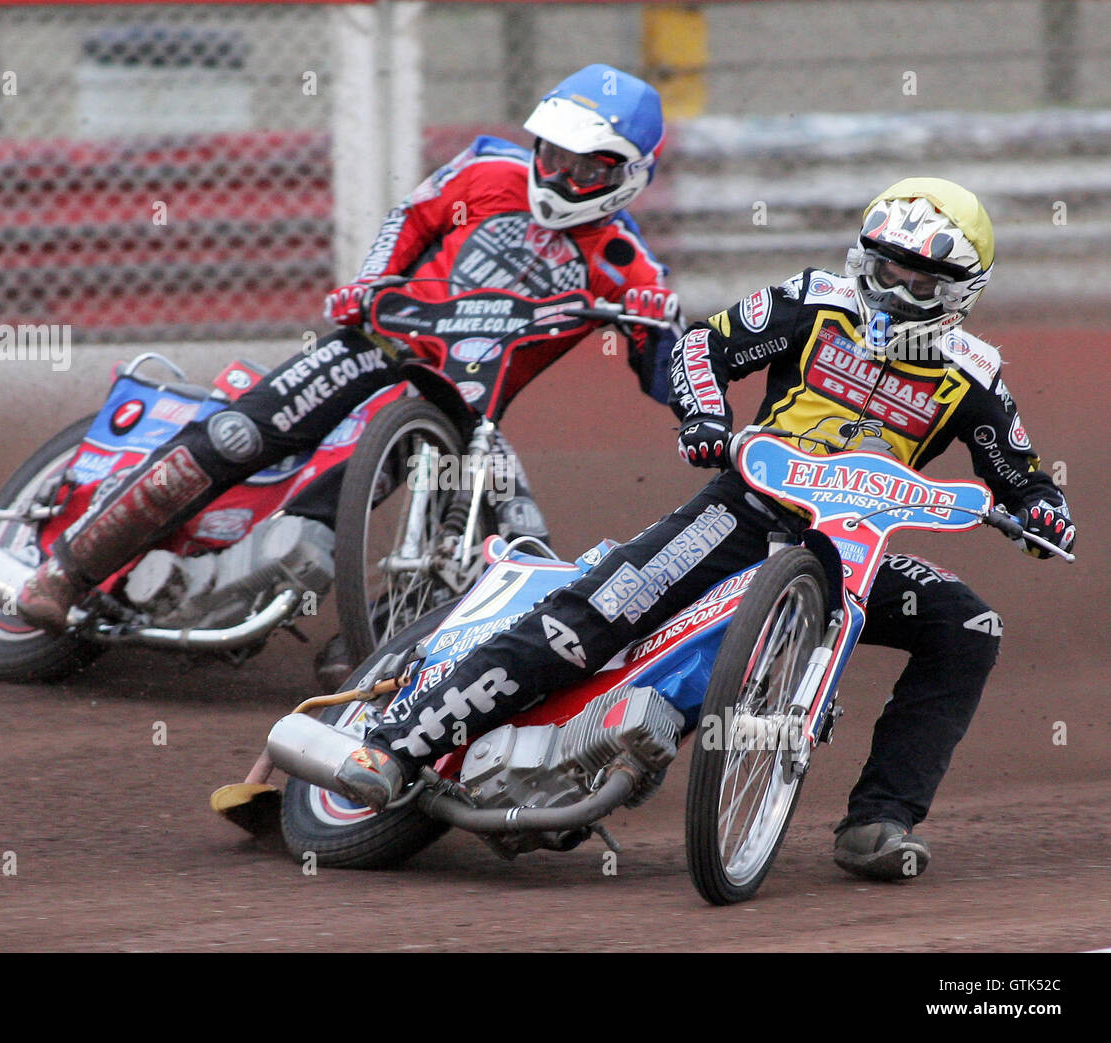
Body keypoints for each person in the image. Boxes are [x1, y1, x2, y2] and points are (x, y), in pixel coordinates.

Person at [322, 177, 1077, 882]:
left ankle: (878, 821)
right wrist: (705, 416)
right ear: (862, 258)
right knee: (589, 617)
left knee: (968, 624)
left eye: (920, 281)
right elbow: (699, 346)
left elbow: (1023, 476)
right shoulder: (813, 300)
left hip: (857, 552)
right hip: (743, 512)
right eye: (884, 268)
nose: (895, 289)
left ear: (959, 294)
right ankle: (395, 745)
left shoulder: (974, 376)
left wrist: (1044, 511)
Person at [12, 64, 684, 662]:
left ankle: (387, 653)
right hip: (381, 343)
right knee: (238, 434)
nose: (561, 177)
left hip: (466, 411)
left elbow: (668, 375)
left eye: (586, 168)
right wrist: (371, 281)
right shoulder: (486, 171)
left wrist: (663, 328)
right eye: (552, 153)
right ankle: (65, 572)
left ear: (629, 175)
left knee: (524, 544)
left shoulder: (626, 263)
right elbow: (412, 218)